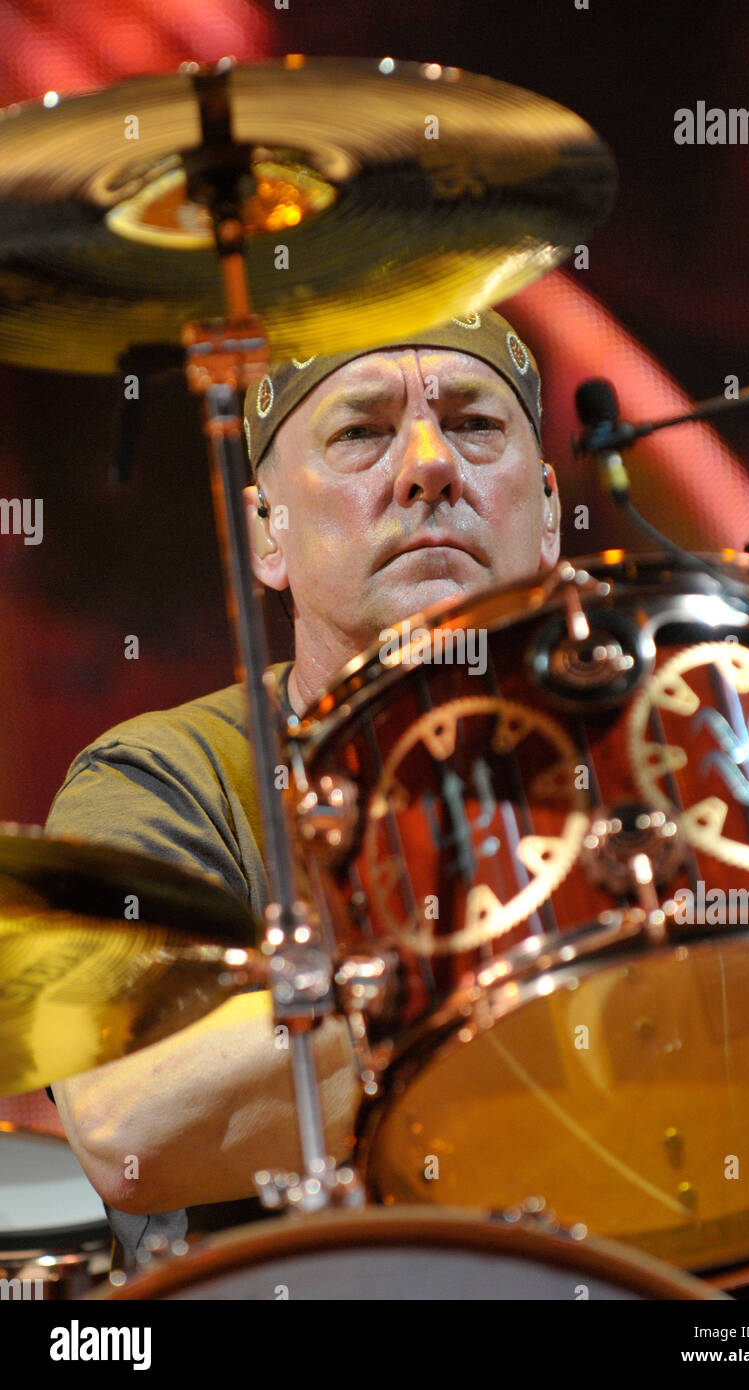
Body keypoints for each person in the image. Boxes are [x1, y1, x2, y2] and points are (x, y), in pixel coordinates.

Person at [44, 308, 563, 1268]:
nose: (429, 466)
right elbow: (130, 1118)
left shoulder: (662, 746)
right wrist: (541, 960)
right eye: (362, 432)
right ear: (265, 533)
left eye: (476, 424)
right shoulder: (172, 775)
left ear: (550, 511)